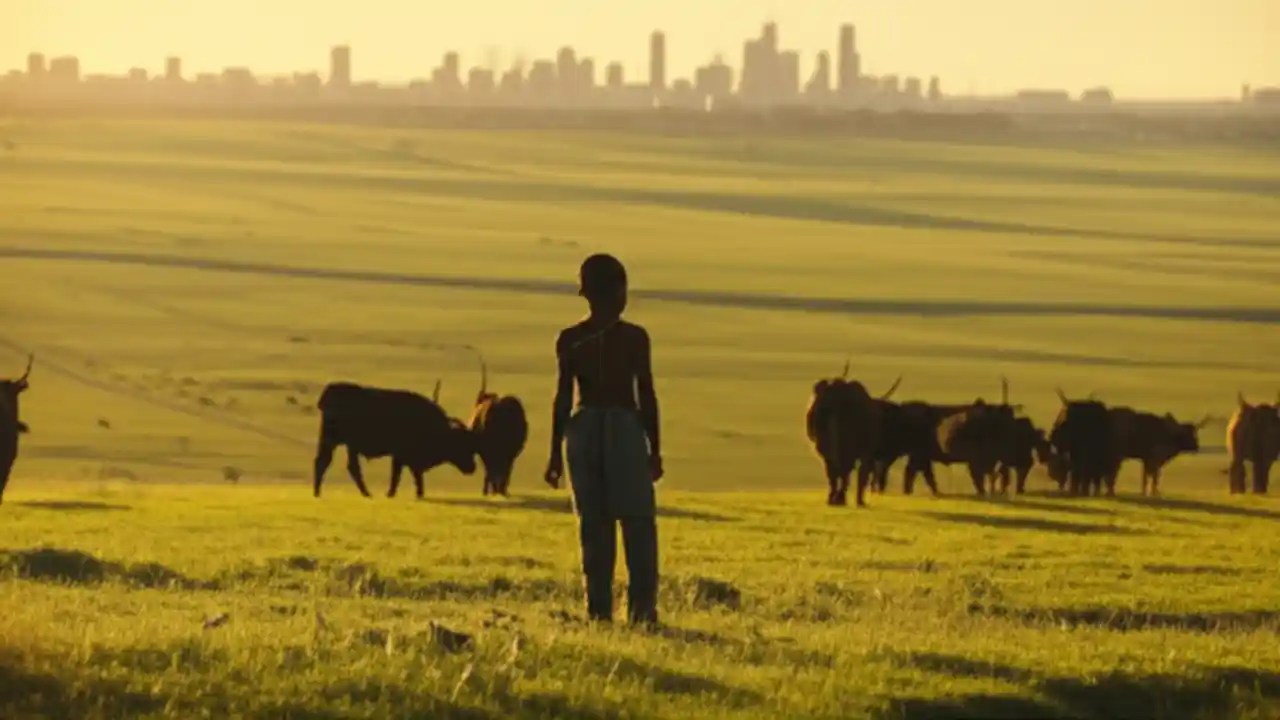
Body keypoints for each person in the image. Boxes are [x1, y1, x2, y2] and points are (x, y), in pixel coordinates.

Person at [545, 253, 663, 627]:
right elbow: (646, 394)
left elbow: (563, 397)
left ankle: (598, 612)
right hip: (625, 431)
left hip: (581, 432)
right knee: (638, 524)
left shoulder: (570, 340)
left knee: (593, 526)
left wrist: (553, 452)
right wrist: (654, 449)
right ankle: (642, 613)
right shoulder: (634, 339)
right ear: (617, 291)